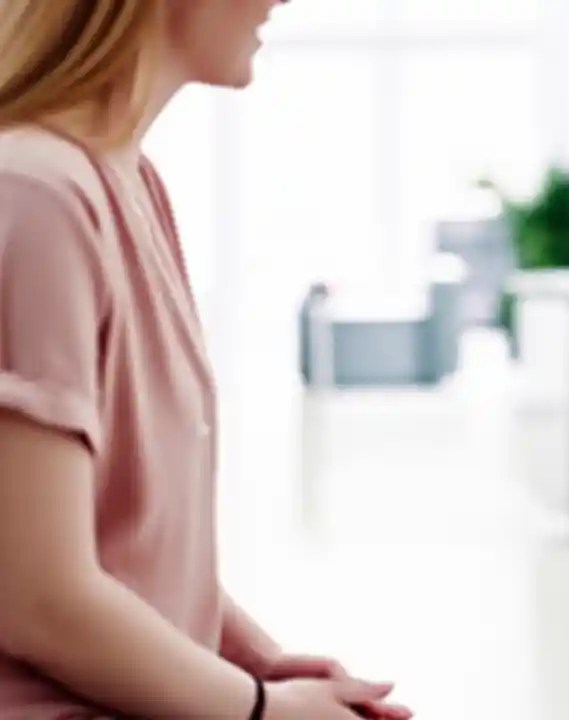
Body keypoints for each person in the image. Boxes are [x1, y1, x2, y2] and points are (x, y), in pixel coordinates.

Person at [0, 2, 412, 718]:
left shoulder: (130, 184)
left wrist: (249, 658)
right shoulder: (37, 197)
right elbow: (37, 595)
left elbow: (123, 534)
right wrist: (265, 709)